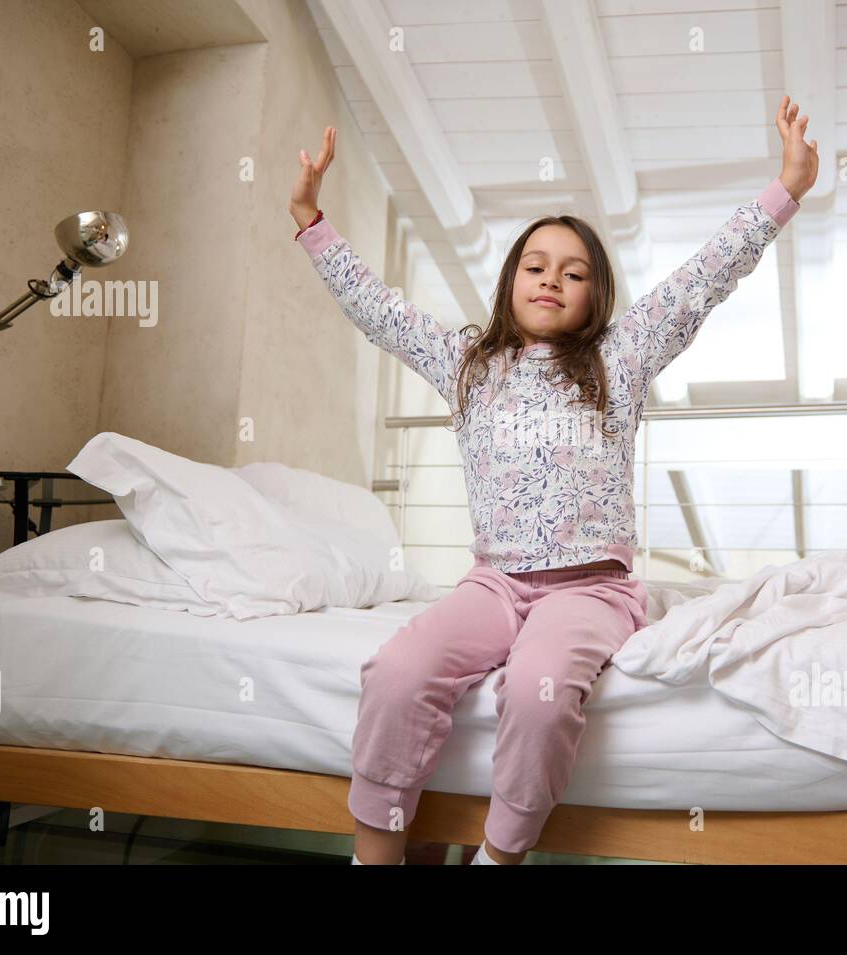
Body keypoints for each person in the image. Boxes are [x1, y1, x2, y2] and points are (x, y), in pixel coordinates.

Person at [288, 97, 818, 865]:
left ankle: (500, 856)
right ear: (510, 280)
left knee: (538, 693)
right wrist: (312, 222)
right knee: (398, 672)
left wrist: (785, 191)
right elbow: (379, 310)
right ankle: (379, 854)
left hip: (591, 591)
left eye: (573, 273)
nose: (551, 280)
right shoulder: (468, 362)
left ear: (594, 296)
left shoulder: (622, 356)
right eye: (535, 266)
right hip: (492, 583)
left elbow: (703, 278)